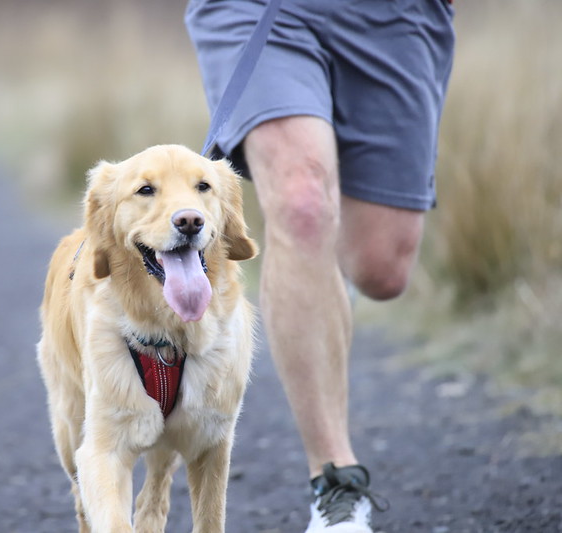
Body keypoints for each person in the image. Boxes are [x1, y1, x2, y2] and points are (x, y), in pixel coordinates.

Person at [186, 0, 455, 531]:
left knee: (382, 268)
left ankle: (319, 289)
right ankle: (336, 484)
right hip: (260, 8)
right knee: (302, 206)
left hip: (395, 16)